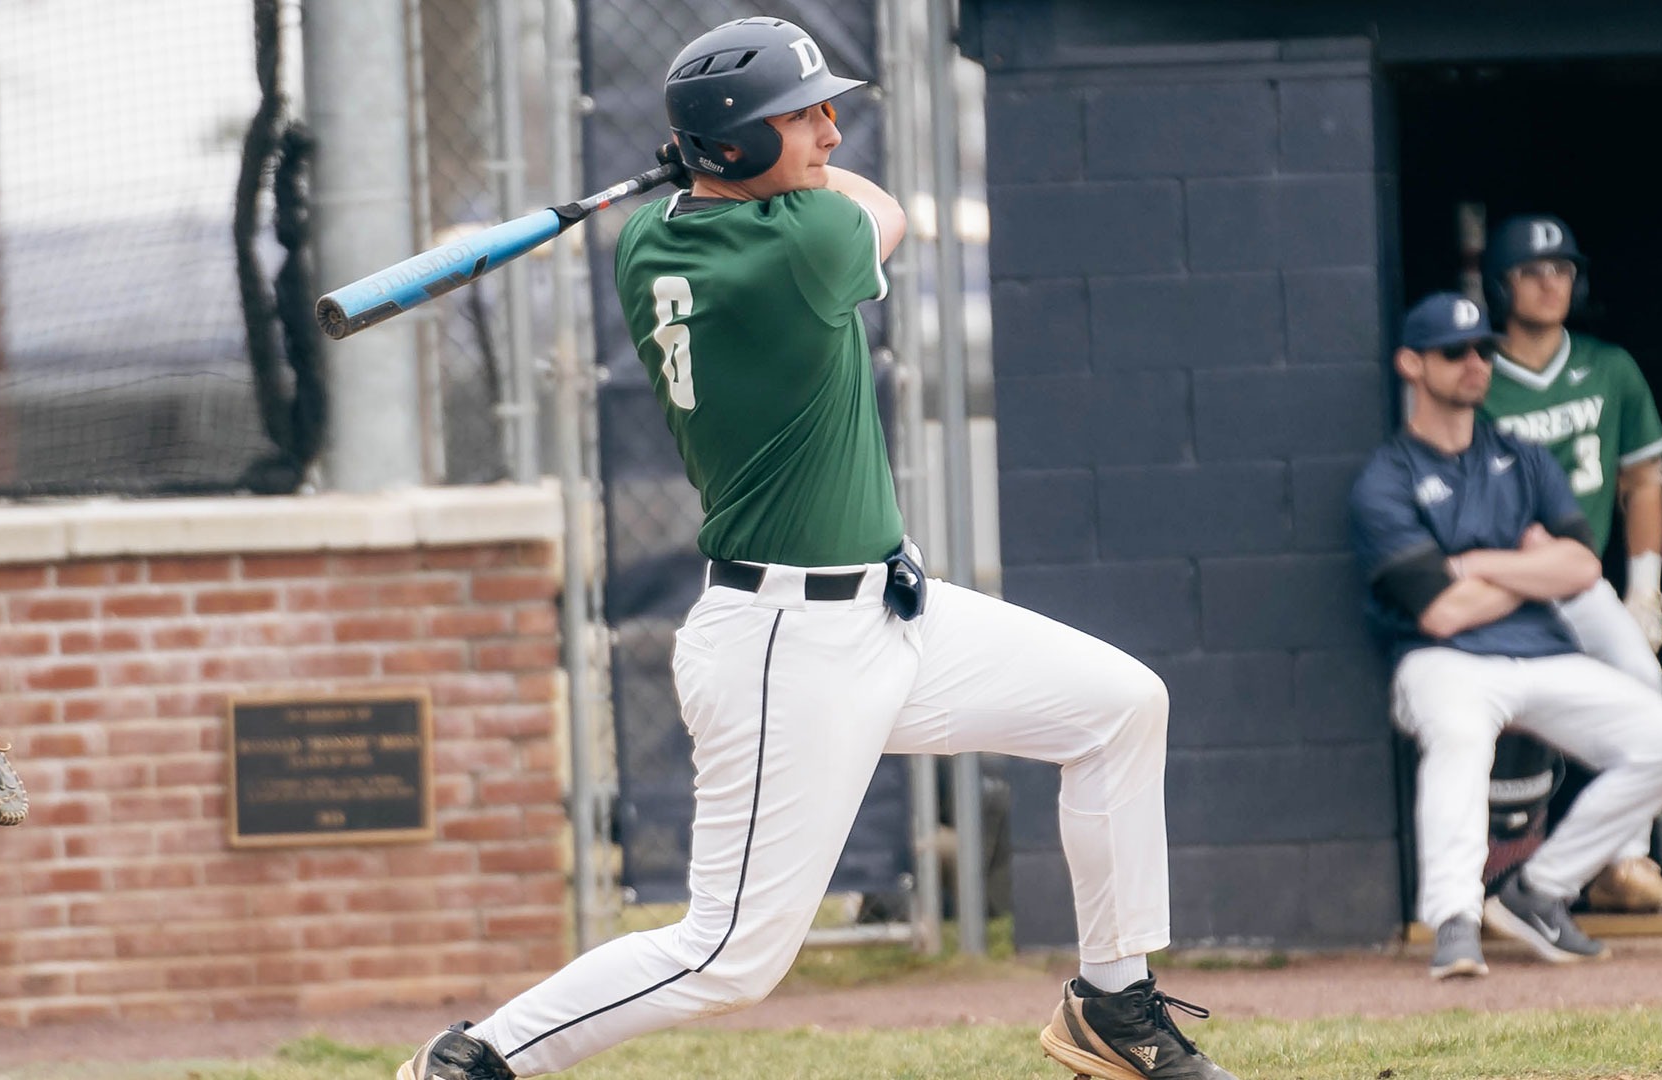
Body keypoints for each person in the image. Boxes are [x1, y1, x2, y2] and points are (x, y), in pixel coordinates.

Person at [398, 16, 1238, 1080]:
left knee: (1120, 708)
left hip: (889, 611)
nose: (834, 132)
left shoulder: (649, 237)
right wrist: (755, 165)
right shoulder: (801, 246)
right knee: (728, 956)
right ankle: (477, 1059)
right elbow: (884, 212)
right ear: (737, 148)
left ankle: (1114, 1005)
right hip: (784, 646)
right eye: (802, 116)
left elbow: (754, 195)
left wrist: (725, 158)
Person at [1349, 292, 1662, 980]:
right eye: (1455, 352)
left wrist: (1479, 563)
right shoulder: (1385, 480)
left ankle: (1541, 890)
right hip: (1441, 663)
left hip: (1540, 654)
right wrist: (1529, 565)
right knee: (1458, 734)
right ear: (1411, 364)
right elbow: (1441, 614)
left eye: (1483, 349)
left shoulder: (1525, 457)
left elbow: (1578, 565)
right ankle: (1454, 917)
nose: (1475, 363)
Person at [1476, 213, 1662, 913]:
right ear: (1501, 284)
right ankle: (1475, 883)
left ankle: (1619, 863)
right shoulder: (1476, 374)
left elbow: (1643, 485)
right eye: (1532, 272)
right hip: (1503, 584)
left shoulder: (1609, 366)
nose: (1549, 283)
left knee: (1643, 684)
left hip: (1582, 582)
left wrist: (1644, 594)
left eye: (1561, 270)